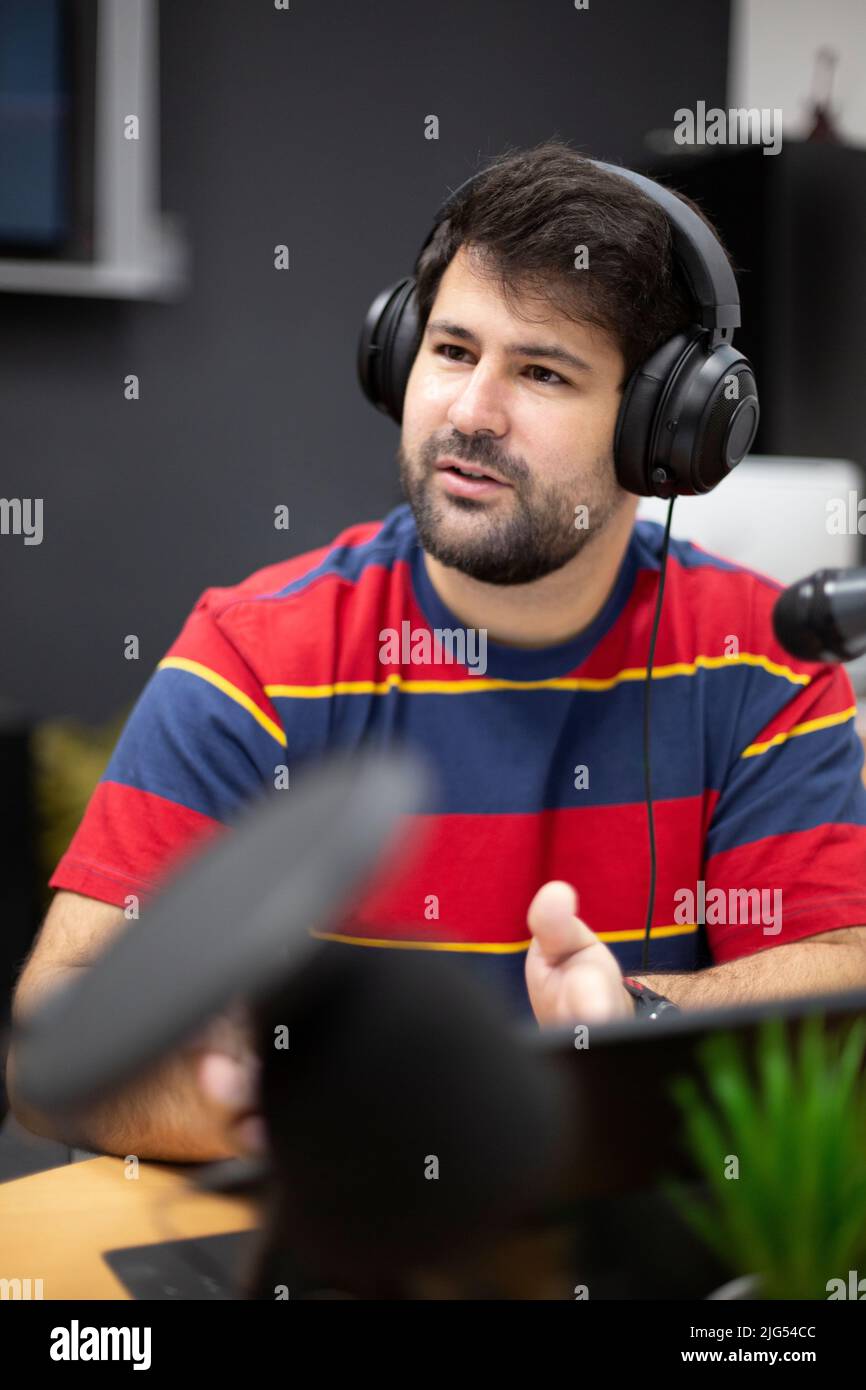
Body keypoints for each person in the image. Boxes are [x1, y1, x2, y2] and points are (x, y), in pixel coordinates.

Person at [9, 140, 866, 1163]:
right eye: (452, 351)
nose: (468, 412)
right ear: (399, 356)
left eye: (541, 371)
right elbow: (51, 1042)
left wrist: (630, 1017)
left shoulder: (764, 662)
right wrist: (260, 1099)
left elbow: (837, 970)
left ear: (662, 434)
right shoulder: (254, 652)